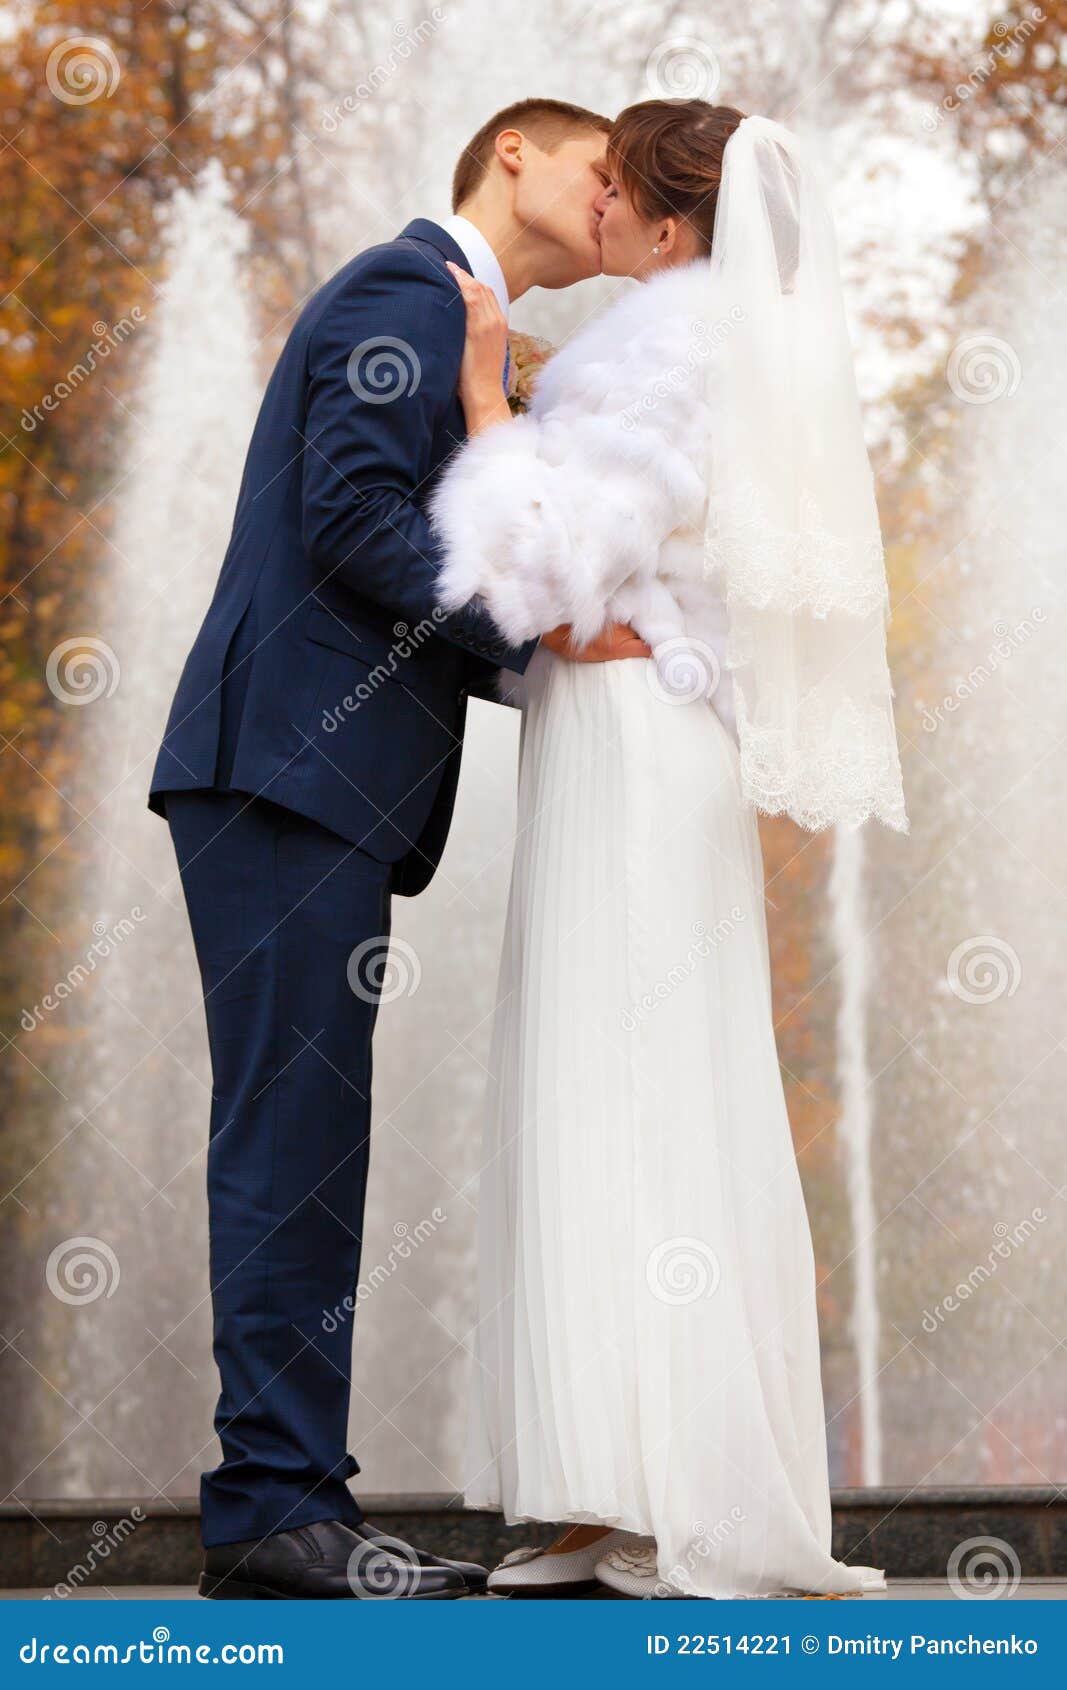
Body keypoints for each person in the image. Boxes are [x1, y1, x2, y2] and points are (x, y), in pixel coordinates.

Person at [149, 96, 652, 1601]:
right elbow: (354, 519)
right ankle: (273, 1511)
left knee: (311, 1140)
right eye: (599, 172)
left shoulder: (467, 326)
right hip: (280, 767)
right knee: (291, 1143)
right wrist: (548, 632)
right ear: (514, 156)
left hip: (312, 779)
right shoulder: (404, 291)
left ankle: (292, 1500)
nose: (617, 203)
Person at [429, 99, 908, 1599]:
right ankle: (616, 1483)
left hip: (630, 741)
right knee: (643, 1076)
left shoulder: (668, 340)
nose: (599, 207)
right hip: (643, 733)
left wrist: (491, 409)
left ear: (669, 219)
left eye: (619, 188)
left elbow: (553, 568)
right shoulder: (711, 341)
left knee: (617, 1077)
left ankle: (648, 1488)